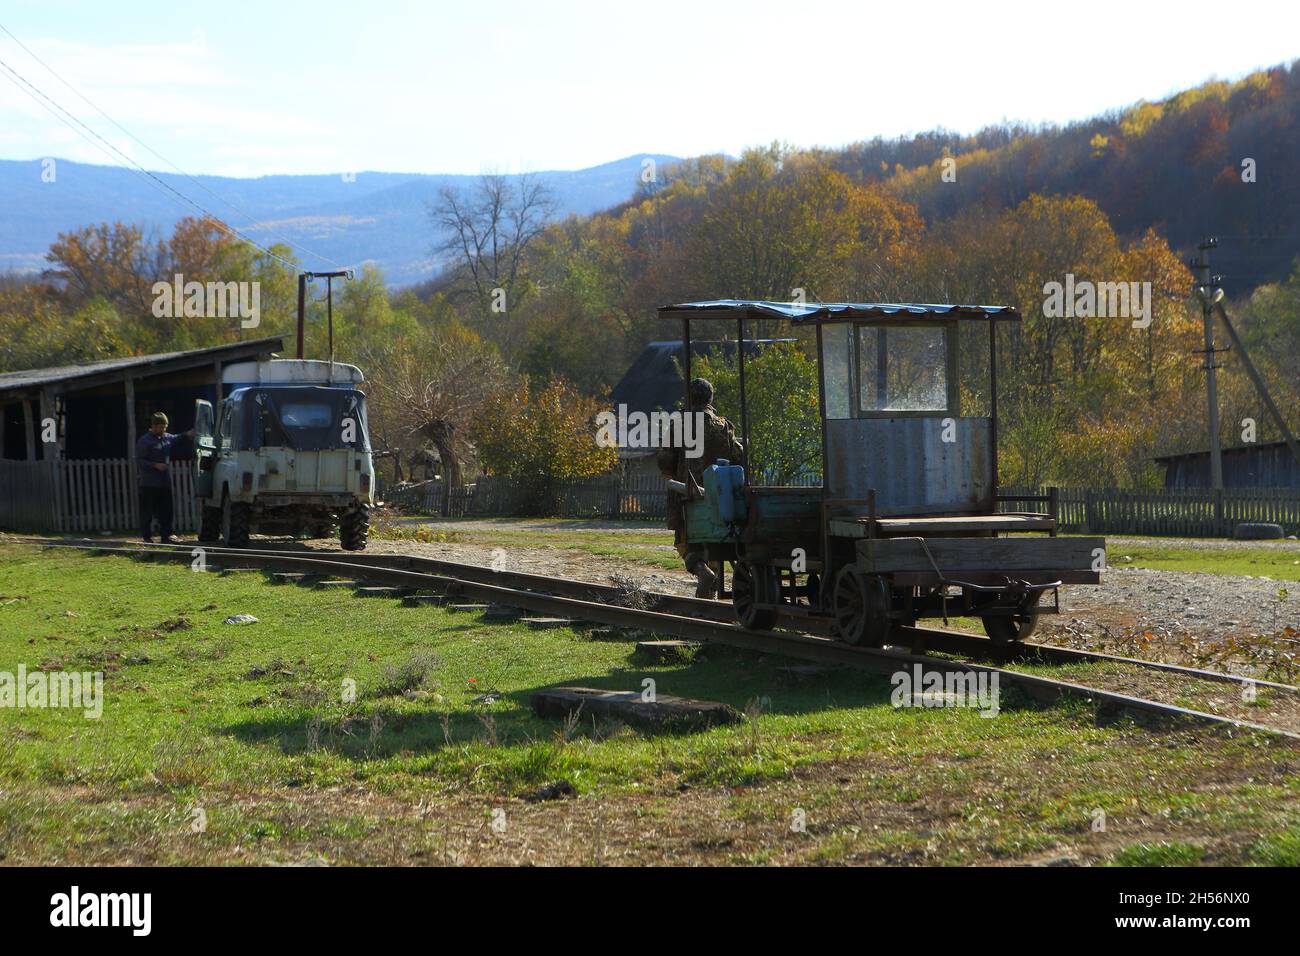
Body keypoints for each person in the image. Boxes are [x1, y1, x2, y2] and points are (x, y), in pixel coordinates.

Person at [656, 377, 744, 598]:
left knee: (684, 541)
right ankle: (709, 590)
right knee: (715, 539)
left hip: (688, 493)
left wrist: (669, 478)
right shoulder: (724, 426)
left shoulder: (679, 425)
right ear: (710, 399)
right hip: (719, 494)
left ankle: (702, 571)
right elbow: (737, 456)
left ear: (690, 398)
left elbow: (665, 461)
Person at [134, 412, 196, 543]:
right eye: (160, 427)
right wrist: (155, 465)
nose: (162, 429)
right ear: (153, 426)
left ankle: (166, 536)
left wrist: (188, 434)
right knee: (147, 512)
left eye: (164, 427)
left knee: (166, 512)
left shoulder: (167, 438)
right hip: (148, 483)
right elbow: (139, 461)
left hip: (164, 483)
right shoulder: (145, 441)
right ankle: (146, 537)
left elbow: (177, 437)